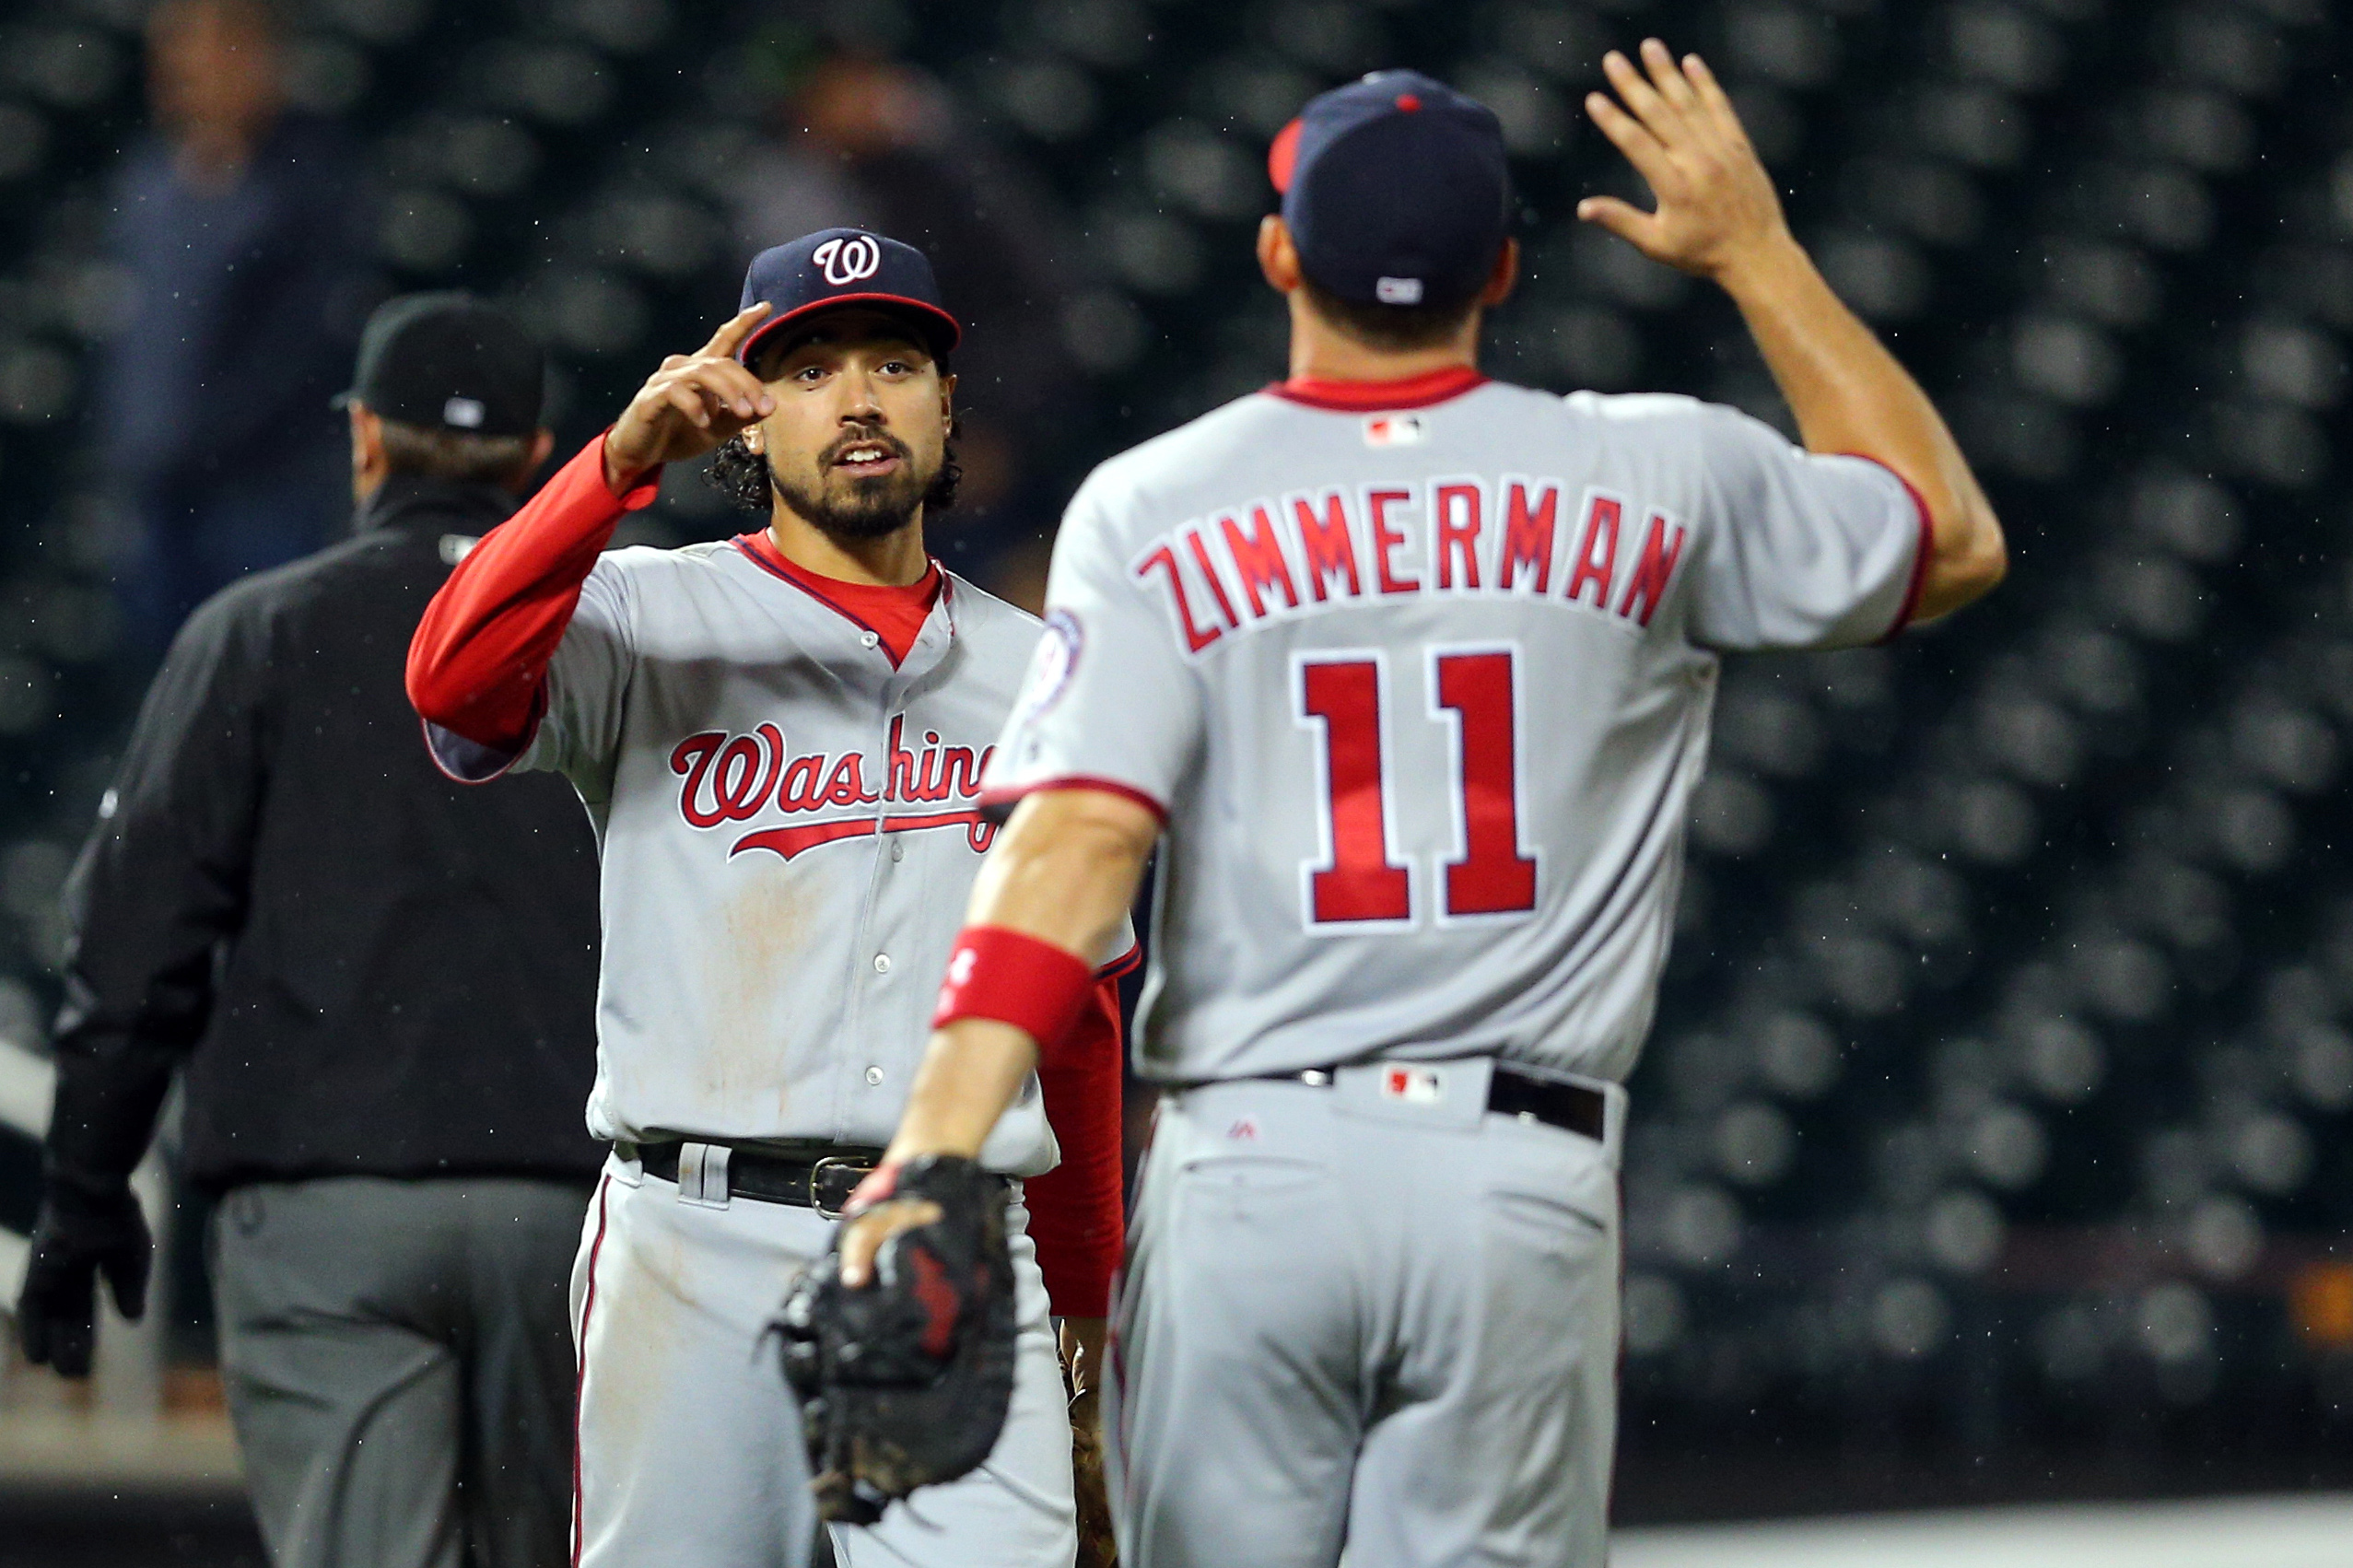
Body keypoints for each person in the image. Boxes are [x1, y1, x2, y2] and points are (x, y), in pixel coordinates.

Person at [832, 53, 2008, 1568]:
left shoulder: (1157, 499)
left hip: (1249, 1162)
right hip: (1510, 1173)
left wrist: (930, 1150)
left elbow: (1076, 843)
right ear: (1504, 270)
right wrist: (1750, 251)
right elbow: (1949, 535)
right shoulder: (1652, 471)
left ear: (1275, 253)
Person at [404, 229, 1130, 1568]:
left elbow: (1078, 1016)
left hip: (955, 1251)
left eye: (895, 362)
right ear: (746, 413)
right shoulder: (642, 612)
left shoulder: (1047, 669)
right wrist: (612, 471)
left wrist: (1087, 1310)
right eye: (807, 367)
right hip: (694, 1228)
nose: (858, 397)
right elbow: (450, 682)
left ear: (947, 402)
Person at [19, 295, 603, 1568]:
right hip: (576, 1206)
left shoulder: (261, 632)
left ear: (364, 442)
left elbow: (136, 939)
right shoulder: (619, 639)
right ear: (540, 454)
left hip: (330, 1199)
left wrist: (83, 1187)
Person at [98, 0, 373, 645]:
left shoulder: (312, 179)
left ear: (258, 55)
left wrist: (207, 437)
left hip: (263, 489)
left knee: (262, 677)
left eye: (205, 49)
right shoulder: (149, 179)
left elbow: (303, 346)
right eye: (172, 53)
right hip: (159, 493)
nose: (182, 70)